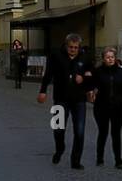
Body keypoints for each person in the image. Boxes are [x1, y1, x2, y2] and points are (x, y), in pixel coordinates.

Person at [37, 34, 95, 169]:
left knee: (79, 131)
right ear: (66, 45)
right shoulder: (56, 56)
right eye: (71, 47)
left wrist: (85, 81)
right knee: (58, 129)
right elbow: (48, 74)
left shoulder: (85, 58)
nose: (73, 50)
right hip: (60, 99)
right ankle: (59, 149)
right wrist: (43, 91)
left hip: (79, 100)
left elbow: (92, 76)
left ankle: (75, 161)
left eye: (76, 47)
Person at [91, 47, 122, 169]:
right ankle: (99, 158)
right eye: (107, 57)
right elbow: (92, 85)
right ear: (103, 59)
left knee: (116, 134)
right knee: (103, 133)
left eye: (112, 57)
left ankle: (118, 160)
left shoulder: (121, 71)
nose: (110, 59)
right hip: (101, 107)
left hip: (117, 108)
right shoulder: (98, 71)